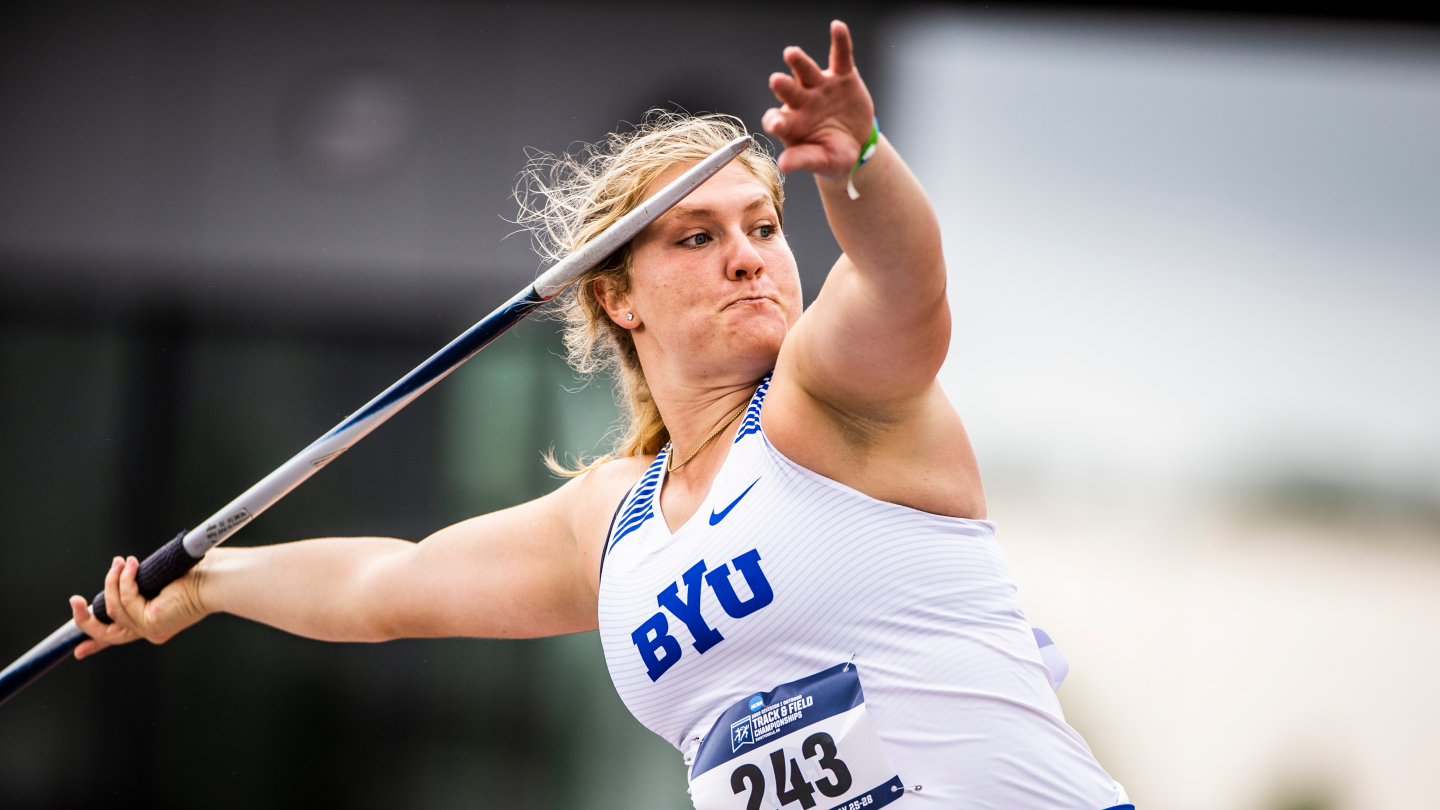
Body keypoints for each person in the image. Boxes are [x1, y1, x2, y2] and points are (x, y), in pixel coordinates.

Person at [70, 20, 1131, 810]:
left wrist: (856, 159)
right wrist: (203, 586)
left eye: (764, 224)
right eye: (696, 237)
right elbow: (383, 585)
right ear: (617, 296)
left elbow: (905, 281)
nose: (750, 253)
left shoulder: (835, 404)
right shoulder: (613, 523)